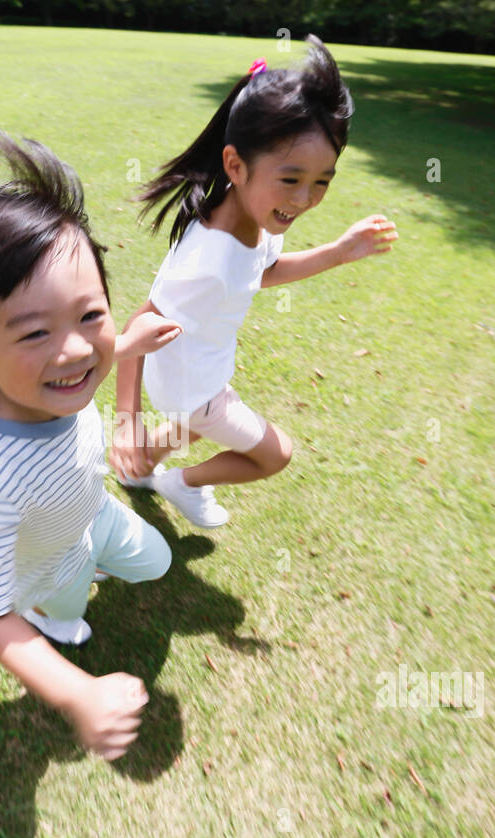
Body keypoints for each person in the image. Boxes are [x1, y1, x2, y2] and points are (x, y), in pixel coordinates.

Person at [0, 131, 182, 760]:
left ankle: (95, 561)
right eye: (36, 332)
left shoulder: (60, 377)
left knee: (157, 562)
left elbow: (87, 358)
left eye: (90, 316)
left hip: (93, 515)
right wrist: (77, 694)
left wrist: (126, 343)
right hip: (49, 563)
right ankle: (48, 613)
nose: (72, 349)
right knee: (67, 623)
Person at [111, 36, 398, 527]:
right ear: (235, 165)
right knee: (275, 454)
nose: (306, 198)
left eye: (322, 180)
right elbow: (141, 323)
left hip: (196, 372)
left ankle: (140, 469)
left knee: (195, 425)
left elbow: (259, 273)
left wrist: (339, 252)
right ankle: (182, 483)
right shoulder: (210, 256)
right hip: (189, 382)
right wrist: (125, 421)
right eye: (291, 179)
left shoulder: (253, 214)